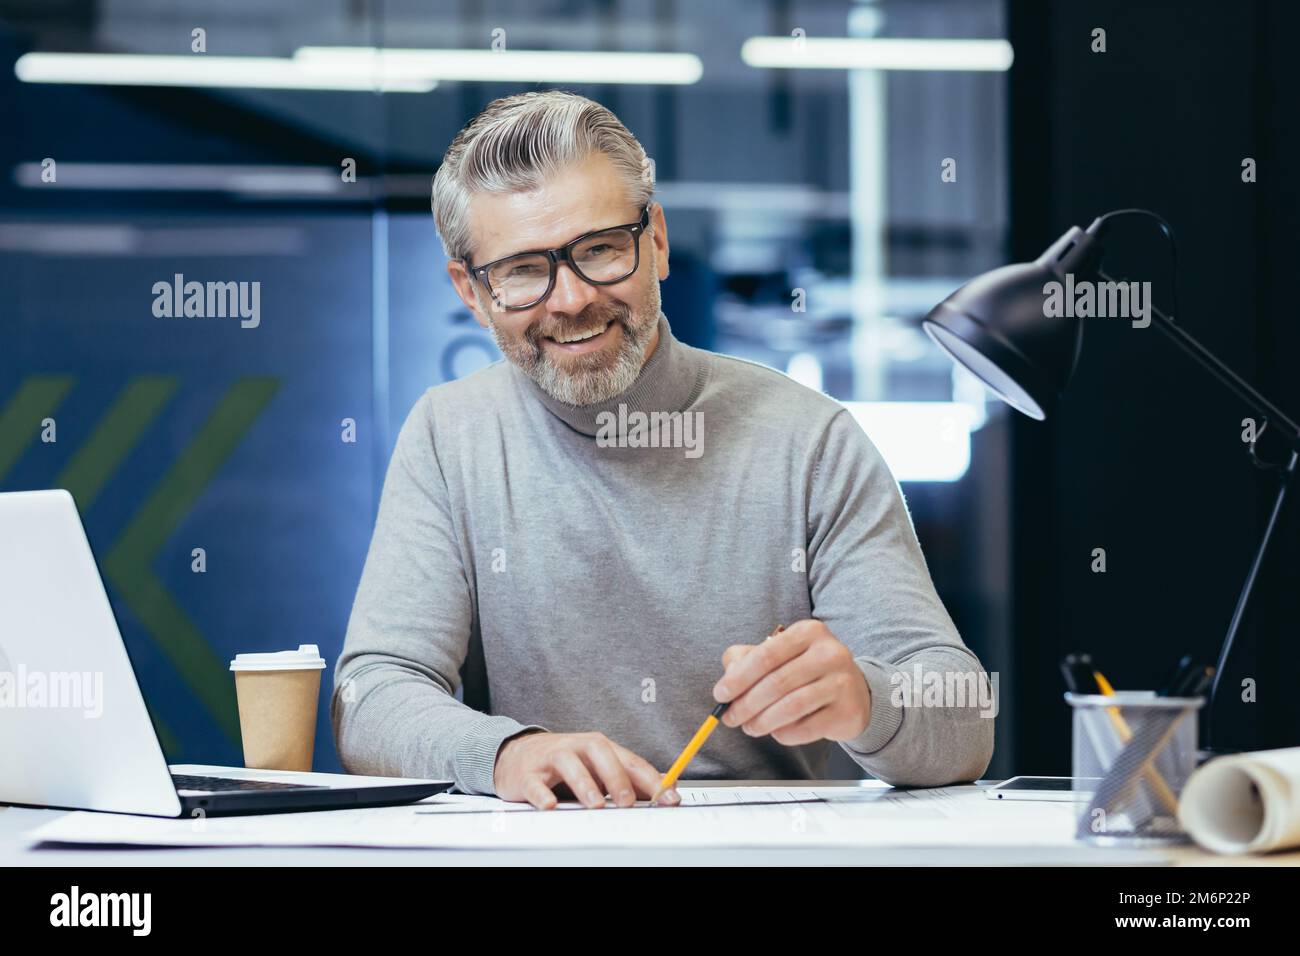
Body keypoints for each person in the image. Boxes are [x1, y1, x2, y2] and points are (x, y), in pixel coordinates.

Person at [332, 90, 994, 810]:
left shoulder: (810, 440)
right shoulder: (449, 435)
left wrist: (868, 699)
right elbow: (371, 698)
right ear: (472, 290)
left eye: (600, 250)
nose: (570, 299)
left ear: (657, 242)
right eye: (523, 270)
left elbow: (962, 718)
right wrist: (506, 753)